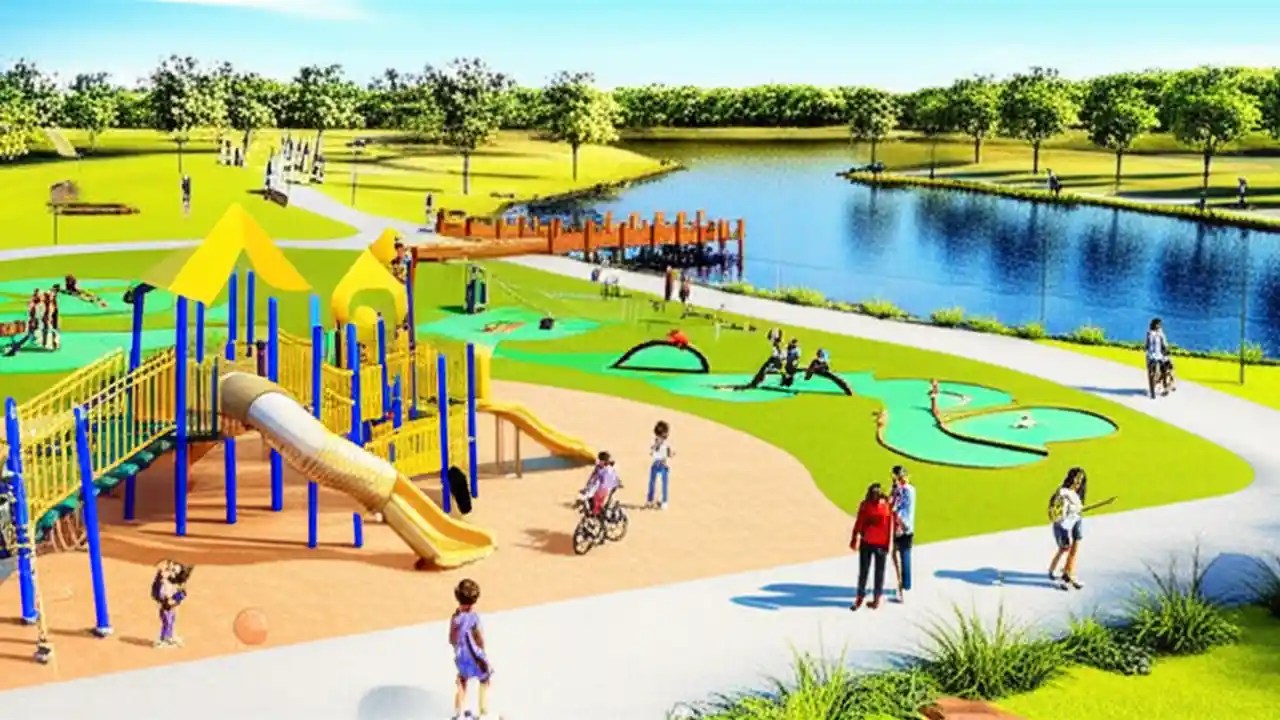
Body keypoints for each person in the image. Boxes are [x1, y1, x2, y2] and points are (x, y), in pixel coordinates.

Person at [449, 579, 492, 720]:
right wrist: (483, 650)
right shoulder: (473, 617)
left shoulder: (455, 618)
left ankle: (459, 713)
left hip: (461, 655)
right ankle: (484, 712)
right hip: (475, 654)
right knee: (485, 678)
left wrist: (457, 647)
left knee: (462, 681)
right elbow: (478, 637)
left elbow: (452, 638)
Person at [850, 483, 894, 610]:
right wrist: (888, 544)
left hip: (867, 541)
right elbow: (889, 527)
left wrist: (854, 538)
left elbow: (859, 523)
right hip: (881, 543)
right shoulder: (886, 507)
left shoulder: (866, 506)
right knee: (879, 572)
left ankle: (860, 597)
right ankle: (876, 598)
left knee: (864, 571)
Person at [1047, 467, 1087, 590]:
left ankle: (1069, 572)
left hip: (1076, 519)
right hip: (1064, 523)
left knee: (1075, 547)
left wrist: (1077, 511)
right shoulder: (1063, 492)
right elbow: (1055, 509)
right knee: (1064, 548)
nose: (1078, 483)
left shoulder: (1079, 493)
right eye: (1076, 479)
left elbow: (1079, 507)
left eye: (1081, 480)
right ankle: (1053, 571)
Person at [889, 466, 916, 603]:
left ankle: (901, 589)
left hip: (900, 526)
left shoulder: (900, 491)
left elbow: (893, 507)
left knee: (896, 555)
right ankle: (906, 584)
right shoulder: (911, 489)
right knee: (905, 555)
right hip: (909, 527)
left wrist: (893, 491)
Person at [151, 559, 191, 648]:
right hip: (165, 603)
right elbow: (159, 593)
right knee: (167, 621)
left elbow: (180, 592)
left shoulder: (175, 580)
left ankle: (169, 637)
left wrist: (176, 599)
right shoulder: (162, 581)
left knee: (171, 619)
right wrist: (165, 601)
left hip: (170, 603)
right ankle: (162, 639)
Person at [579, 451, 620, 516]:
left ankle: (600, 514)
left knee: (599, 502)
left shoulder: (609, 469)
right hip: (601, 487)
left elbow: (612, 479)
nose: (599, 461)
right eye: (599, 460)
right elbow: (592, 478)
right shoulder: (599, 467)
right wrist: (586, 487)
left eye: (601, 460)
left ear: (605, 461)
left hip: (607, 487)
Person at [647, 420, 674, 510]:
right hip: (659, 464)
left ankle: (659, 501)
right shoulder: (658, 443)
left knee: (658, 483)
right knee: (657, 483)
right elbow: (654, 451)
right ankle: (655, 500)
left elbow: (668, 453)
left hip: (660, 464)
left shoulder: (663, 443)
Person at [1145, 317, 1175, 398]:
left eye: (1159, 325)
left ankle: (1165, 385)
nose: (1158, 326)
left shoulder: (1161, 333)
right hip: (1151, 355)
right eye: (1157, 324)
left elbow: (1164, 344)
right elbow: (1147, 345)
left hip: (1160, 354)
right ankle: (1153, 389)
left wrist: (1166, 350)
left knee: (1165, 369)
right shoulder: (1149, 333)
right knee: (1151, 370)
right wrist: (1147, 351)